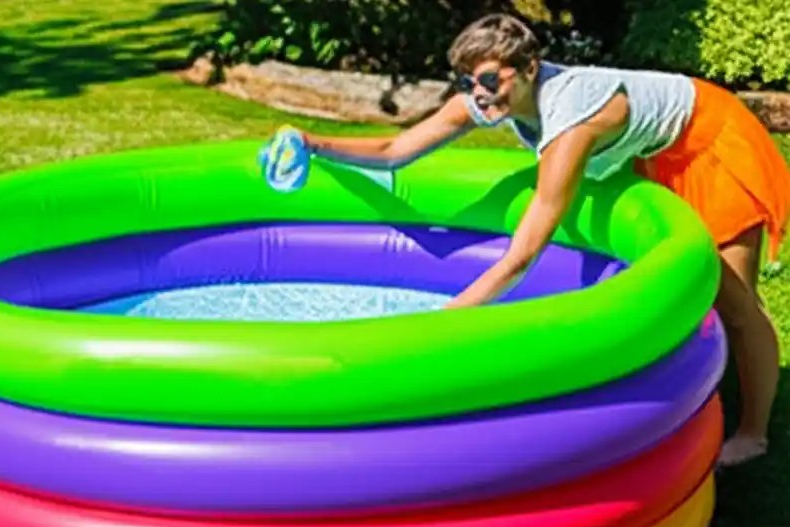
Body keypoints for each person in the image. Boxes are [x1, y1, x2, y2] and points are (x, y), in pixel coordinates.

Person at [293, 12, 789, 468]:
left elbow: (526, 250)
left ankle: (755, 432)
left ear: (530, 68)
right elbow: (396, 148)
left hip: (711, 142)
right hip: (660, 148)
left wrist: (447, 321)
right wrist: (313, 144)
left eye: (490, 80)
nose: (480, 94)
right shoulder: (488, 100)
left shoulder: (572, 120)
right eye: (470, 82)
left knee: (734, 301)